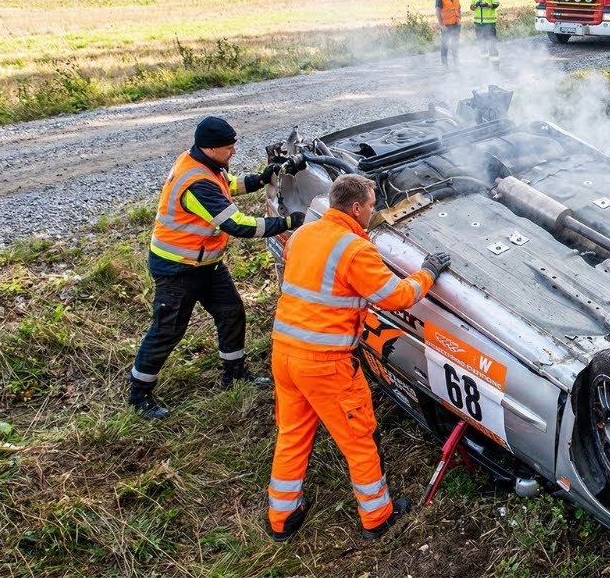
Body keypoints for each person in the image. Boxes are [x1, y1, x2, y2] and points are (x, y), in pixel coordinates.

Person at [266, 174, 452, 541]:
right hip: (326, 364)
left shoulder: (303, 234)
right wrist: (428, 272)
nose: (373, 210)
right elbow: (397, 296)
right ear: (355, 208)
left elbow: (315, 284)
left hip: (285, 353)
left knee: (293, 432)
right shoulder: (355, 249)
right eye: (370, 205)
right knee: (359, 438)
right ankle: (377, 516)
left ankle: (282, 517)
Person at [129, 116, 305, 420]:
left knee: (231, 312)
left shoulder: (203, 165)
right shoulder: (195, 183)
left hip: (206, 264)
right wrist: (286, 223)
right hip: (177, 268)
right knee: (167, 330)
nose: (234, 152)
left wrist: (259, 180)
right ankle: (139, 394)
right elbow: (235, 224)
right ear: (210, 148)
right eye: (229, 147)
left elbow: (226, 187)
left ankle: (234, 373)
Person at [469, 0, 500, 69]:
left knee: (492, 45)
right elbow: (471, 7)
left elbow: (496, 4)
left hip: (489, 24)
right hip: (478, 24)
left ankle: (495, 66)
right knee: (481, 45)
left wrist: (486, 4)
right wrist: (475, 6)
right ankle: (484, 64)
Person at [435, 0, 461, 67]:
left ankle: (456, 61)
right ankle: (444, 63)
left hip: (456, 25)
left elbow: (459, 9)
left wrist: (459, 20)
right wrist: (442, 25)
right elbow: (438, 11)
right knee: (445, 44)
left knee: (455, 43)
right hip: (446, 26)